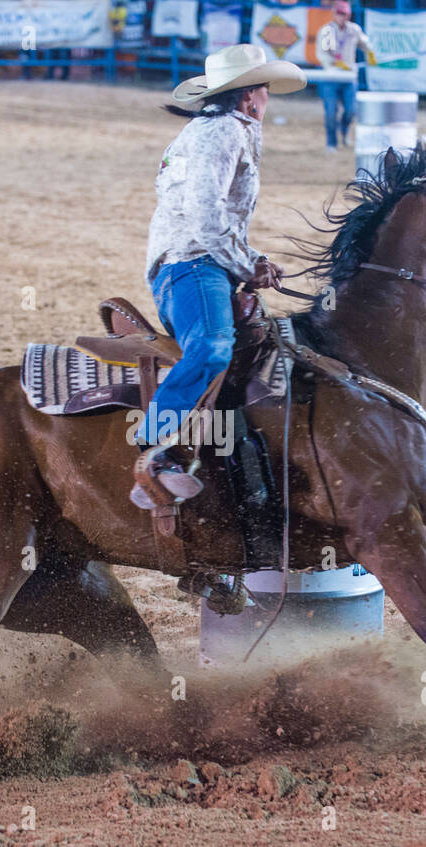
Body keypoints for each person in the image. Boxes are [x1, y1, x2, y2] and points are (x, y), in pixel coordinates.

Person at [133, 44, 305, 510]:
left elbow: (211, 218)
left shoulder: (215, 129)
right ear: (251, 95)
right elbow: (207, 219)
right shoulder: (223, 132)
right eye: (266, 90)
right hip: (191, 266)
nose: (269, 99)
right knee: (211, 347)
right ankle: (154, 448)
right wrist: (248, 265)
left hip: (196, 263)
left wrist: (251, 258)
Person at [315, 1, 377, 152]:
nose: (342, 17)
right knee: (331, 111)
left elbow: (365, 44)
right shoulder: (327, 31)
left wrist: (370, 53)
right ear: (334, 14)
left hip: (349, 77)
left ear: (349, 15)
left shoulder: (354, 30)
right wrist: (335, 62)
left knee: (351, 110)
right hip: (330, 77)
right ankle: (331, 143)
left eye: (345, 14)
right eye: (339, 13)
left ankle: (344, 131)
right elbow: (322, 54)